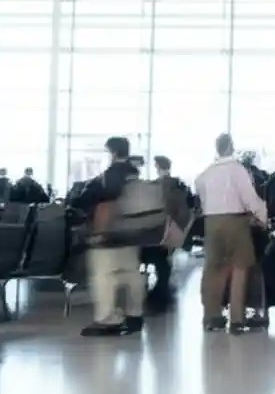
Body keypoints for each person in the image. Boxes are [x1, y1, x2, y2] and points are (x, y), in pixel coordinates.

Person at [72, 137, 146, 337]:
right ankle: (135, 315)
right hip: (133, 233)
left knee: (103, 275)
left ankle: (107, 319)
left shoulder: (111, 175)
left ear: (112, 153)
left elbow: (88, 199)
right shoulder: (135, 174)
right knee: (131, 274)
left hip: (110, 234)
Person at [195, 134, 268, 333]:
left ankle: (212, 316)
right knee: (239, 268)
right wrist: (262, 218)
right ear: (232, 147)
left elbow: (200, 196)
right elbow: (249, 198)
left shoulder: (206, 174)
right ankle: (236, 319)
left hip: (211, 222)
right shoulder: (237, 170)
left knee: (213, 269)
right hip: (235, 222)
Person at [142, 155, 193, 309]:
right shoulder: (179, 185)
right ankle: (163, 291)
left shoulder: (157, 186)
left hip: (159, 228)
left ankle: (159, 293)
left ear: (157, 166)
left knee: (158, 259)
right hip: (173, 228)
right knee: (164, 261)